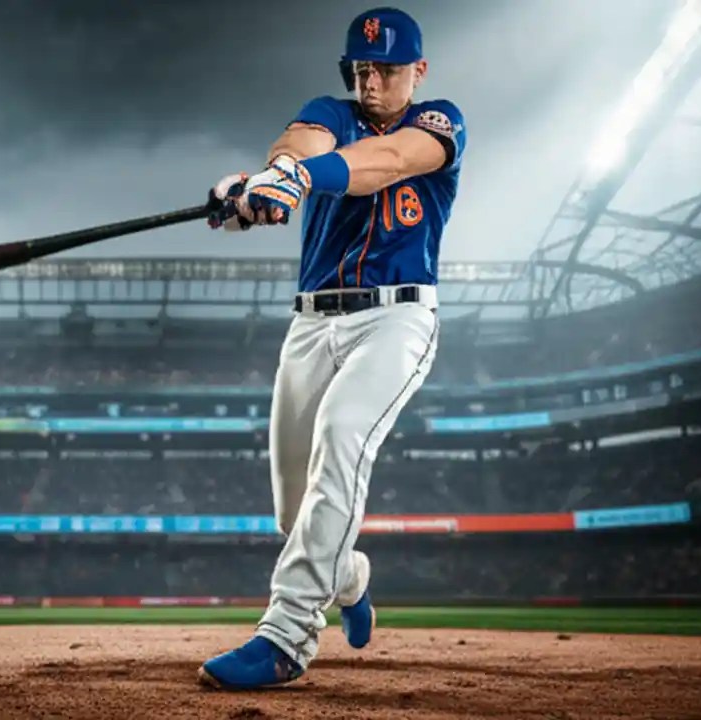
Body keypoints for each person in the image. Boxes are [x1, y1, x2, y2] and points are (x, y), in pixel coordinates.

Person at [198, 6, 467, 690]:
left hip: (396, 319)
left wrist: (299, 178)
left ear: (419, 70)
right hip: (312, 324)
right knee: (294, 515)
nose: (371, 82)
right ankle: (350, 576)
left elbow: (387, 162)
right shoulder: (332, 112)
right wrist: (267, 180)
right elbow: (302, 140)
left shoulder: (440, 121)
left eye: (387, 69)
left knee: (343, 435)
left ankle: (285, 637)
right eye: (361, 69)